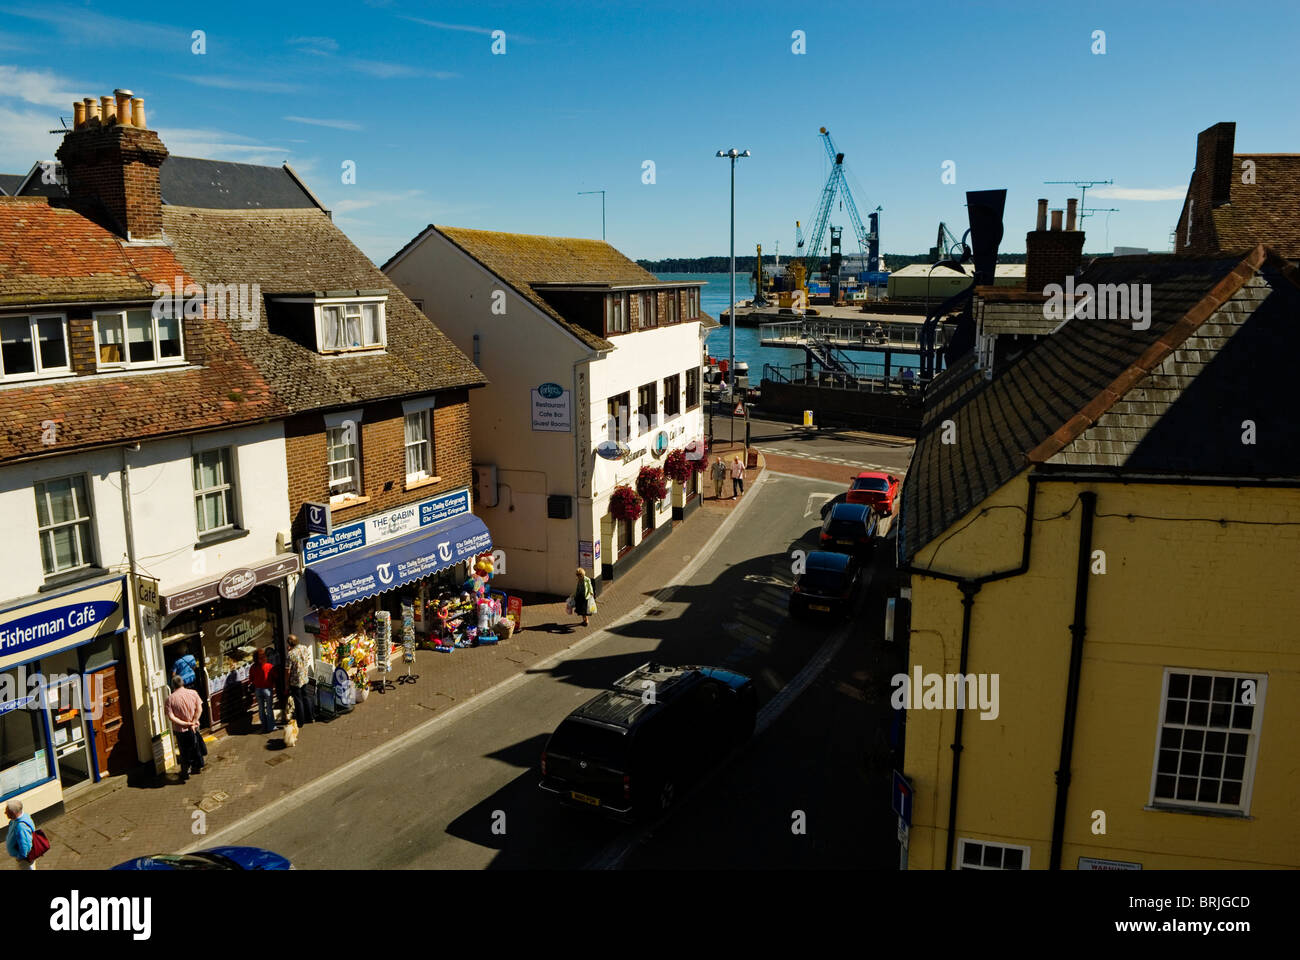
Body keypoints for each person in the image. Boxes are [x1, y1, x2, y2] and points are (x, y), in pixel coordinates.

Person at [165, 674, 205, 780]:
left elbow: (171, 717)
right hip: (194, 727)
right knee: (195, 747)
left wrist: (184, 724)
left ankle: (185, 772)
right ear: (182, 683)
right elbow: (199, 709)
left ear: (173, 685)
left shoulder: (170, 699)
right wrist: (193, 722)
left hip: (180, 730)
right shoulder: (193, 693)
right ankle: (196, 767)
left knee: (184, 751)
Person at [285, 634, 315, 725]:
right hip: (304, 677)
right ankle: (310, 718)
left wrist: (286, 683)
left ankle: (301, 721)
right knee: (306, 697)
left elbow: (287, 671)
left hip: (295, 681)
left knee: (298, 701)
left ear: (289, 643)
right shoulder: (304, 648)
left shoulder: (290, 654)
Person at [249, 648, 278, 733]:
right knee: (269, 708)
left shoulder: (253, 667)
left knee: (261, 709)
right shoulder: (269, 666)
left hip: (258, 690)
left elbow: (251, 679)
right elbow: (275, 676)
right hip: (268, 689)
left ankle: (264, 726)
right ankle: (271, 726)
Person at [4, 800, 35, 870]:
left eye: (7, 811)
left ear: (13, 812)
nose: (5, 812)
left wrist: (20, 857)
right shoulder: (18, 819)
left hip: (24, 860)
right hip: (23, 859)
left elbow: (25, 846)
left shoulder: (21, 827)